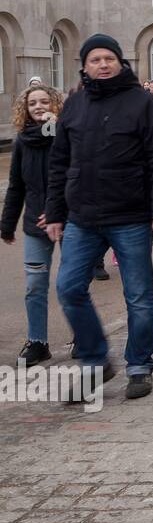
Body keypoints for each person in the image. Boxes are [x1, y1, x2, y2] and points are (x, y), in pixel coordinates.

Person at [45, 34, 153, 402]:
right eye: (95, 59)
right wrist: (55, 212)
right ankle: (95, 359)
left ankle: (139, 366)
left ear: (120, 62)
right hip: (81, 217)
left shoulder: (142, 103)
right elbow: (59, 164)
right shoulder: (73, 104)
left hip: (131, 216)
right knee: (69, 288)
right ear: (85, 66)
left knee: (138, 296)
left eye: (109, 58)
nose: (102, 64)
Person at [2, 83, 63, 364]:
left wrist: (58, 209)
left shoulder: (66, 136)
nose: (38, 107)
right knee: (35, 284)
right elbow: (16, 187)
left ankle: (81, 336)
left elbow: (77, 177)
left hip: (70, 222)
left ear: (55, 105)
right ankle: (38, 341)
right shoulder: (22, 142)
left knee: (71, 284)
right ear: (25, 110)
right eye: (32, 103)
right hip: (35, 225)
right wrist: (7, 224)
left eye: (44, 102)